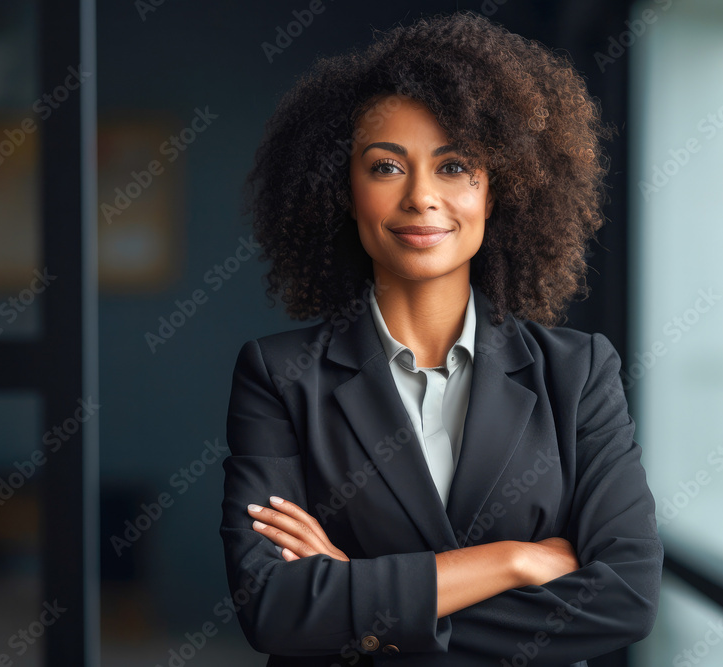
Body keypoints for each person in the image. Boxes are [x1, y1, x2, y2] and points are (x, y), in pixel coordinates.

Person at [220, 11, 663, 666]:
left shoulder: (579, 372)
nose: (422, 196)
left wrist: (361, 602)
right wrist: (513, 560)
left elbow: (625, 596)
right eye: (386, 167)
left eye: (454, 165)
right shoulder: (279, 375)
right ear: (342, 190)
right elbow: (275, 606)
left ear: (498, 187)